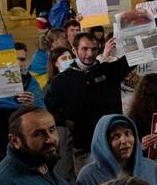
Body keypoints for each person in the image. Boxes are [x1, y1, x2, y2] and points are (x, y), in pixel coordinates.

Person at [44, 31, 132, 175]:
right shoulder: (61, 80)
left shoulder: (110, 70)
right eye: (84, 49)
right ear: (74, 50)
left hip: (114, 146)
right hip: (83, 150)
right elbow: (52, 109)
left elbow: (138, 55)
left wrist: (143, 22)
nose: (89, 54)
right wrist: (71, 126)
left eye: (94, 49)